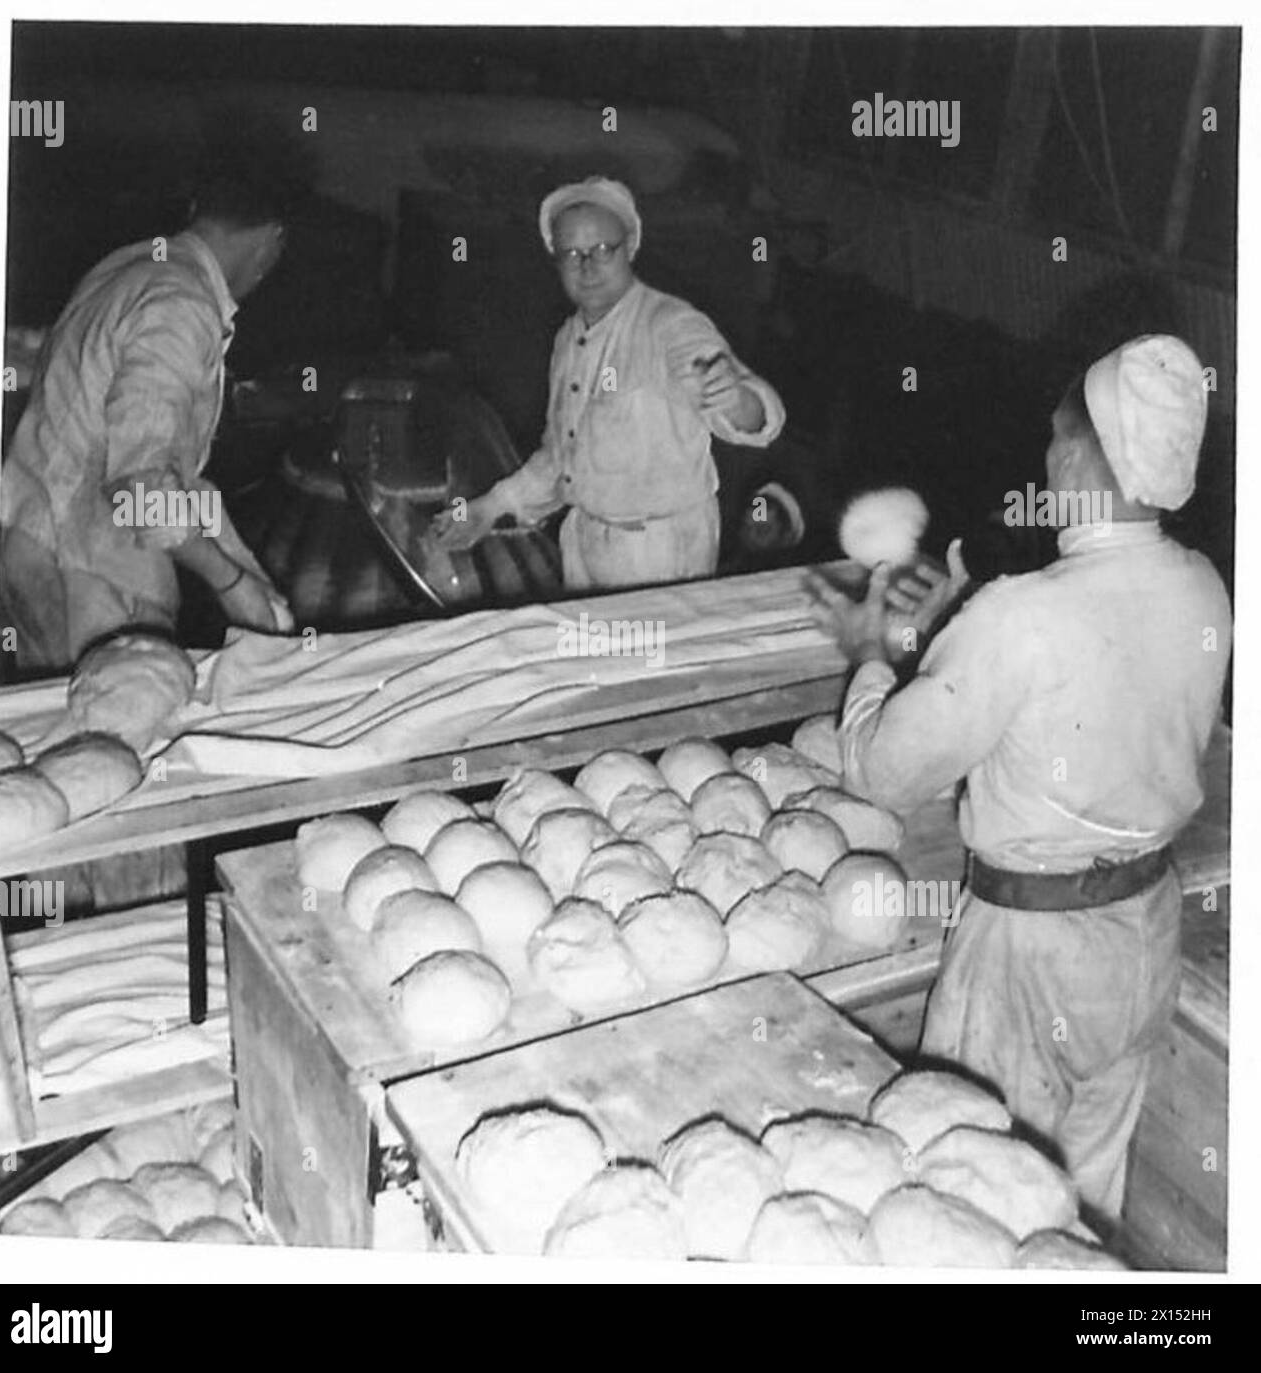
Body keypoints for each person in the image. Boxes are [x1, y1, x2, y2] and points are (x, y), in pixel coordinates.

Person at [816, 335, 1231, 1221]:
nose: (1046, 455)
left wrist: (878, 657)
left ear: (1084, 453)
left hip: (1028, 959)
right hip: (1140, 935)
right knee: (1084, 1201)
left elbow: (883, 774)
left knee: (974, 1203)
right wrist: (956, 644)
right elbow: (1091, 678)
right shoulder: (1206, 590)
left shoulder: (1021, 615)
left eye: (1056, 436)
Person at [0, 158, 298, 673]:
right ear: (271, 241)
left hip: (32, 542)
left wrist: (247, 573)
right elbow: (137, 492)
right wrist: (230, 583)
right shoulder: (181, 307)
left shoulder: (133, 266)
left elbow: (166, 477)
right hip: (90, 577)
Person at [430, 176, 786, 590]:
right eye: (572, 254)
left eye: (603, 249)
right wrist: (491, 507)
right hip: (582, 542)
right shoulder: (568, 339)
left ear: (631, 247)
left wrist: (738, 399)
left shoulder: (669, 324)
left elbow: (755, 416)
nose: (588, 266)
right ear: (556, 261)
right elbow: (562, 455)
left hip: (658, 556)